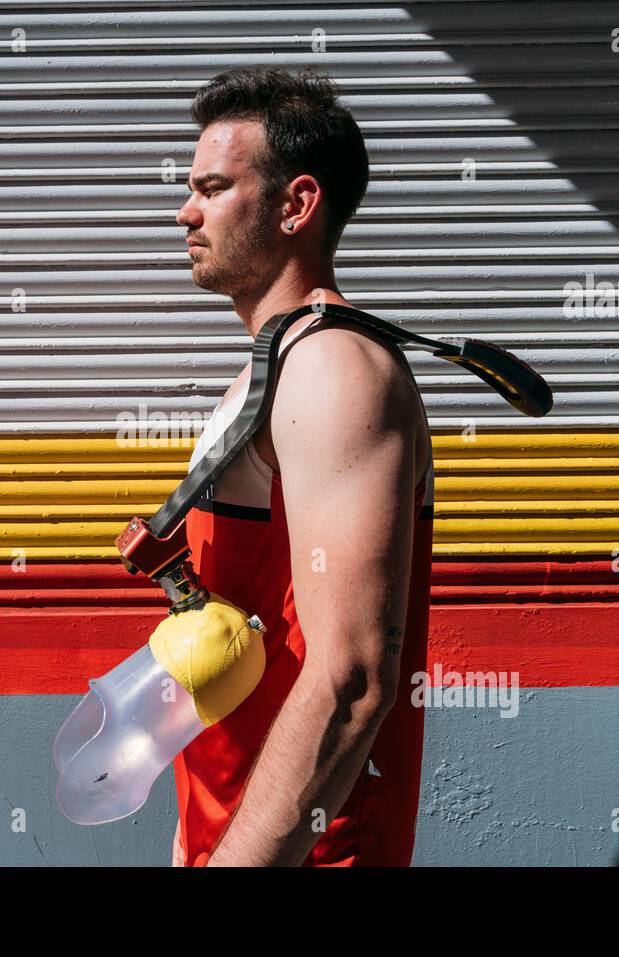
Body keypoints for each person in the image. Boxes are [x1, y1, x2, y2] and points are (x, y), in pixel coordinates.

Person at [169, 67, 435, 867]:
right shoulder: (274, 369)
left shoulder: (334, 372)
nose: (186, 211)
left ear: (296, 205)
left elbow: (352, 678)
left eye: (213, 188)